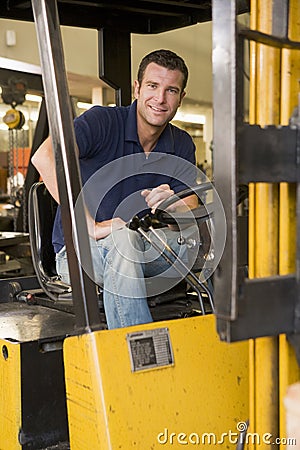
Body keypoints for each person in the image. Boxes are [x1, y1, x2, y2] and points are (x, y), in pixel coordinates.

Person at [32, 49, 199, 329]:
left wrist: (172, 204)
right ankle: (134, 350)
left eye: (171, 90)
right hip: (83, 253)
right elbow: (45, 157)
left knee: (193, 241)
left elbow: (192, 202)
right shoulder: (102, 122)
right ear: (137, 88)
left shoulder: (180, 143)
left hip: (150, 248)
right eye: (153, 86)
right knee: (124, 239)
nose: (160, 99)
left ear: (181, 98)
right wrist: (91, 225)